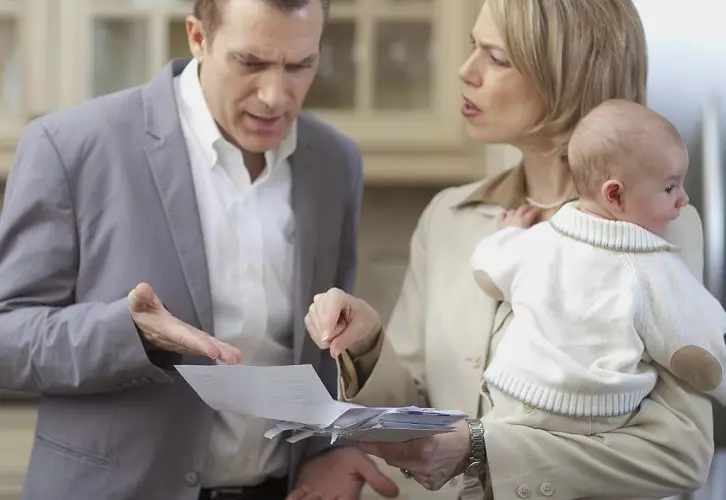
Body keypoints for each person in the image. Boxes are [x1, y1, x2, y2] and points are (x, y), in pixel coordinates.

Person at [304, 1, 715, 499]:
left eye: (496, 58)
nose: (465, 70)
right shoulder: (448, 217)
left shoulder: (656, 227)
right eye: (473, 47)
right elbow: (415, 405)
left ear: (568, 78)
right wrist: (368, 346)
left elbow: (680, 455)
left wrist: (482, 448)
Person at [0, 0, 399, 499]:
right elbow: (7, 336)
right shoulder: (71, 146)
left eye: (300, 65)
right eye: (250, 62)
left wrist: (331, 447)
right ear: (197, 37)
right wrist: (130, 336)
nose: (276, 95)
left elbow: (319, 356)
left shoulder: (336, 162)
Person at [469, 98, 726, 441]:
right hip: (595, 413)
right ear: (615, 195)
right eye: (670, 187)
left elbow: (488, 269)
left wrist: (507, 233)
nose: (683, 199)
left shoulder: (542, 239)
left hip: (513, 398)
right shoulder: (654, 265)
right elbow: (702, 334)